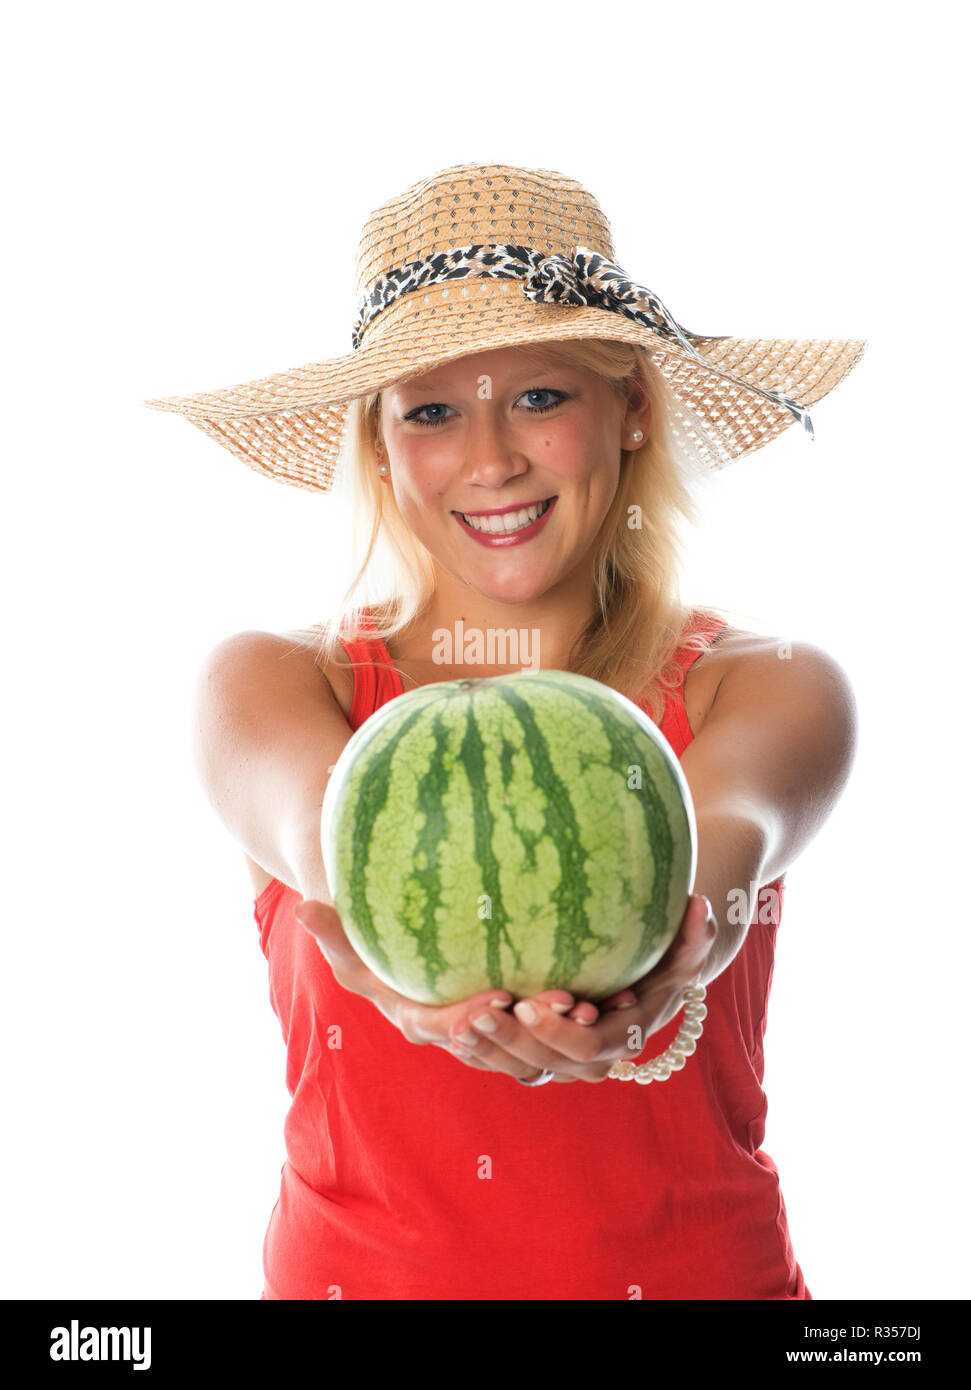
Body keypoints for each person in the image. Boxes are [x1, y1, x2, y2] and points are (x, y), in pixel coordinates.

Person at [146, 161, 864, 1301]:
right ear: (379, 447)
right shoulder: (276, 683)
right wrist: (393, 970)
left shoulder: (766, 684)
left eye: (538, 397)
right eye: (431, 411)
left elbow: (716, 849)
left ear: (629, 408)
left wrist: (669, 958)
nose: (489, 460)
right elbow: (328, 833)